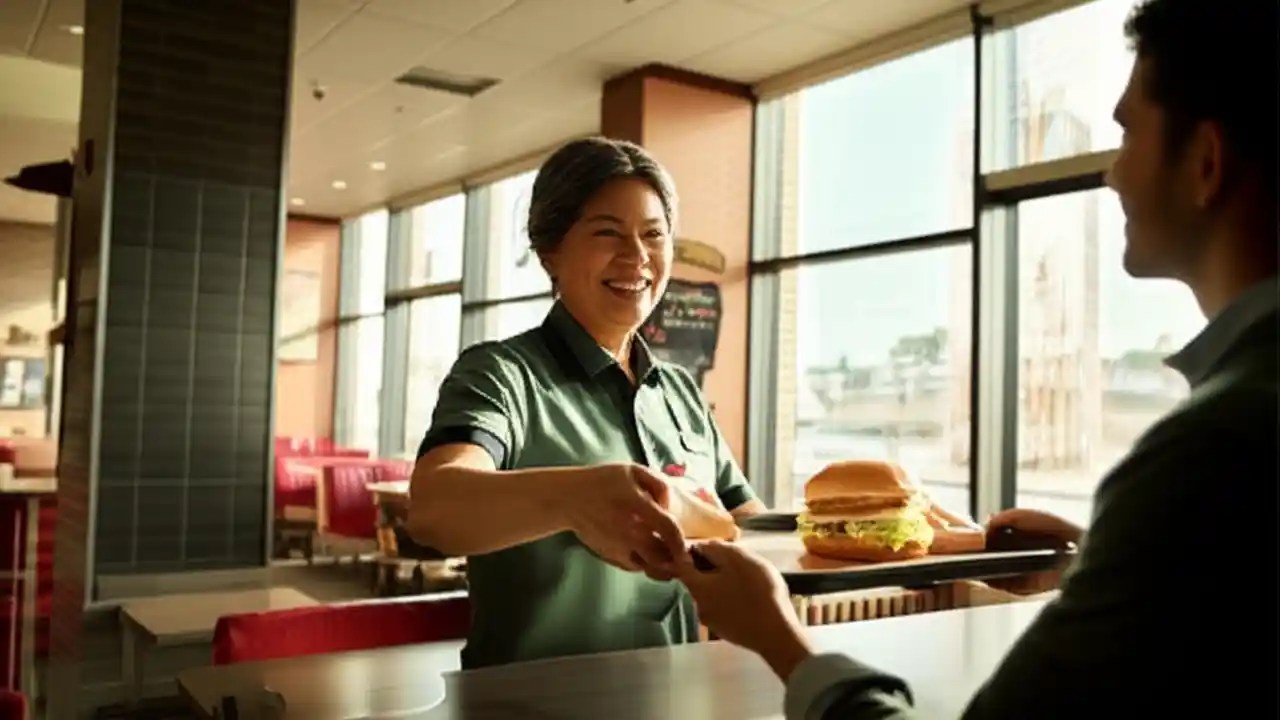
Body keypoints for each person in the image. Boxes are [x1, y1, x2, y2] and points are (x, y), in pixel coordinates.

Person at [676, 0, 1279, 717]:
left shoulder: (1209, 449)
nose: (1113, 175)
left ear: (1205, 163)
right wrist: (1104, 564)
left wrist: (777, 638)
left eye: (1127, 134)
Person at [407, 137, 766, 669]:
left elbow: (748, 523)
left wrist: (887, 525)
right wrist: (575, 497)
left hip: (674, 698)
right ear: (550, 248)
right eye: (608, 232)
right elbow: (435, 508)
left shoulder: (680, 393)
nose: (637, 256)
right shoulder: (501, 375)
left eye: (653, 234)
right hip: (529, 706)